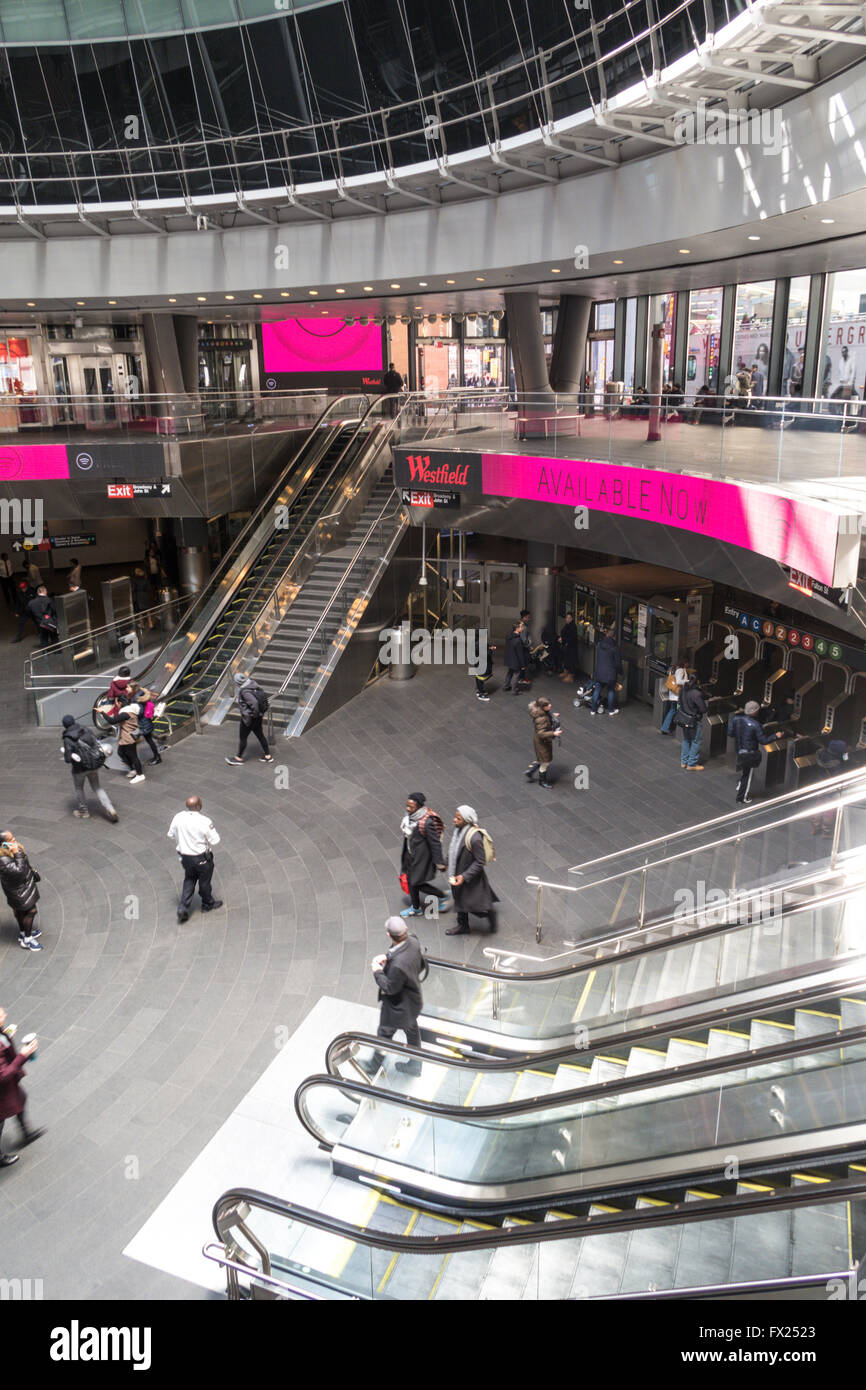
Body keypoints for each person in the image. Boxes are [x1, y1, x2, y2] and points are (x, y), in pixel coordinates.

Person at [364, 916, 426, 1077]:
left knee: (384, 1033)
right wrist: (388, 957)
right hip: (414, 1000)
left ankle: (375, 1065)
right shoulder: (414, 941)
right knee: (412, 1030)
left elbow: (390, 987)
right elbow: (407, 956)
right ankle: (416, 1065)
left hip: (399, 1006)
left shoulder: (398, 966)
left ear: (389, 935)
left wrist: (377, 971)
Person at [167, 795, 223, 924]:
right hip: (201, 857)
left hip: (184, 857)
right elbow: (215, 840)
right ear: (198, 806)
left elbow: (170, 834)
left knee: (190, 878)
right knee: (204, 881)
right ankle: (207, 903)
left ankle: (183, 907)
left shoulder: (178, 817)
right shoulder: (204, 821)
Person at [0, 1005, 44, 1165]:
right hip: (2, 1090)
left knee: (21, 1098)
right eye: (1, 1014)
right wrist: (22, 1056)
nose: (4, 1013)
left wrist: (6, 1035)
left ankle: (26, 1133)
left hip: (6, 1090)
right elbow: (3, 1076)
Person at [445, 806, 498, 936]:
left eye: (458, 818)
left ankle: (489, 913)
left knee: (470, 903)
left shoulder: (474, 838)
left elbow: (480, 861)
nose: (454, 820)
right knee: (460, 901)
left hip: (470, 878)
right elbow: (454, 849)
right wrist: (446, 861)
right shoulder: (459, 830)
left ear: (467, 820)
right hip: (457, 874)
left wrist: (463, 876)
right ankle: (463, 925)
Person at [399, 793, 449, 918]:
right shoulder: (410, 817)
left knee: (415, 882)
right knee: (413, 882)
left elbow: (435, 843)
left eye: (411, 807)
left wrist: (439, 862)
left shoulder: (426, 822)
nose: (408, 809)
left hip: (422, 859)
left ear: (419, 807)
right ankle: (417, 907)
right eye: (407, 806)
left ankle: (440, 897)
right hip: (411, 856)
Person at [61, 714, 118, 822]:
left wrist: (67, 754)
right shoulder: (86, 729)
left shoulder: (68, 738)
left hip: (79, 769)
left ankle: (84, 811)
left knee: (79, 788)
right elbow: (96, 744)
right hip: (93, 765)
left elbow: (68, 759)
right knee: (97, 787)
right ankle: (110, 808)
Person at [727, 699, 784, 802]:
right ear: (754, 711)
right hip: (750, 752)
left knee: (744, 770)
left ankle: (740, 785)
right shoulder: (756, 725)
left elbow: (730, 733)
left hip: (739, 749)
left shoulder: (736, 719)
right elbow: (763, 741)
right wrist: (776, 736)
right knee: (747, 776)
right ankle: (742, 798)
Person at [0, 831, 42, 952]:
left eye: (13, 837)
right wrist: (16, 853)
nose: (14, 839)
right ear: (3, 843)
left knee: (20, 911)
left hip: (20, 888)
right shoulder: (3, 859)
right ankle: (27, 940)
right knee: (31, 911)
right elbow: (19, 871)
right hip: (19, 891)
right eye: (11, 839)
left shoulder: (8, 852)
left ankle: (24, 933)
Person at [225, 673, 274, 765]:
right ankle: (267, 756)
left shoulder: (245, 691)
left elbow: (254, 703)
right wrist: (258, 714)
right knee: (260, 735)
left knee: (243, 737)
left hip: (249, 719)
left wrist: (252, 715)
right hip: (258, 717)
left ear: (238, 682)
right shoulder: (253, 684)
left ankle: (238, 758)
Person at [811, 739, 849, 837]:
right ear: (839, 751)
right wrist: (845, 756)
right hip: (831, 788)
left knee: (819, 803)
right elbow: (838, 777)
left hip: (820, 784)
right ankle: (826, 832)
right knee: (830, 808)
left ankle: (816, 827)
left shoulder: (821, 754)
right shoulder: (837, 763)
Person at [105, 699, 146, 783]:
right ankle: (133, 769)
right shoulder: (129, 710)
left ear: (120, 703)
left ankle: (140, 774)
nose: (116, 704)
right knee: (121, 753)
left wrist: (102, 713)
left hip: (128, 738)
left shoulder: (125, 713)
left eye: (117, 702)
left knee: (133, 756)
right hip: (125, 737)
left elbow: (112, 721)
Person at [526, 697, 561, 789]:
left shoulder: (541, 713)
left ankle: (531, 770)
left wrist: (552, 715)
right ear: (543, 707)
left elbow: (546, 716)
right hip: (542, 742)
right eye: (548, 705)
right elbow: (541, 733)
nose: (550, 705)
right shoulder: (541, 719)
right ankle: (542, 781)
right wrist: (553, 733)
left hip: (541, 741)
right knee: (545, 762)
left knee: (542, 758)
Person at [677, 676, 708, 771]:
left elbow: (679, 702)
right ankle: (691, 763)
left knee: (686, 739)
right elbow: (703, 709)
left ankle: (684, 762)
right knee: (696, 741)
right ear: (698, 682)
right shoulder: (696, 693)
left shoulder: (682, 690)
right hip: (694, 720)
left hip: (683, 718)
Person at [590, 627, 622, 716]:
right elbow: (618, 663)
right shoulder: (615, 648)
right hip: (610, 674)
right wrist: (620, 672)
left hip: (599, 672)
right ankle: (611, 710)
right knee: (611, 691)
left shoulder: (599, 645)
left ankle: (593, 710)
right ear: (614, 637)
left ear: (606, 635)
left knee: (597, 690)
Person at [135, 687, 163, 766]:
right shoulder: (147, 701)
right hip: (147, 724)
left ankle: (157, 757)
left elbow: (140, 713)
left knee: (150, 741)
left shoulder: (141, 704)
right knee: (150, 740)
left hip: (145, 725)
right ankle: (157, 756)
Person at [660, 658, 688, 734]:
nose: (688, 665)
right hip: (677, 695)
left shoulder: (673, 669)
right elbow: (679, 681)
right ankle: (677, 729)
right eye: (687, 663)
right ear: (685, 663)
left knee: (672, 710)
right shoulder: (681, 670)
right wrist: (688, 681)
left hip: (672, 693)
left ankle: (665, 727)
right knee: (678, 711)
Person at [503, 621, 527, 695]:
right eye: (521, 627)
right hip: (516, 661)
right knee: (516, 675)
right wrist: (523, 665)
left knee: (509, 673)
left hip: (509, 659)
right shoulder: (518, 640)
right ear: (517, 628)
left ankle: (506, 686)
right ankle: (514, 690)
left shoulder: (509, 636)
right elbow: (520, 654)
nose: (522, 628)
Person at [559, 611, 579, 683]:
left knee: (571, 660)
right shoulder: (567, 625)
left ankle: (571, 676)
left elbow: (572, 638)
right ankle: (566, 672)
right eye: (566, 617)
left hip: (571, 646)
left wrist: (563, 639)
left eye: (569, 618)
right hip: (567, 645)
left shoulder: (573, 626)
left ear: (572, 618)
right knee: (566, 659)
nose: (567, 619)